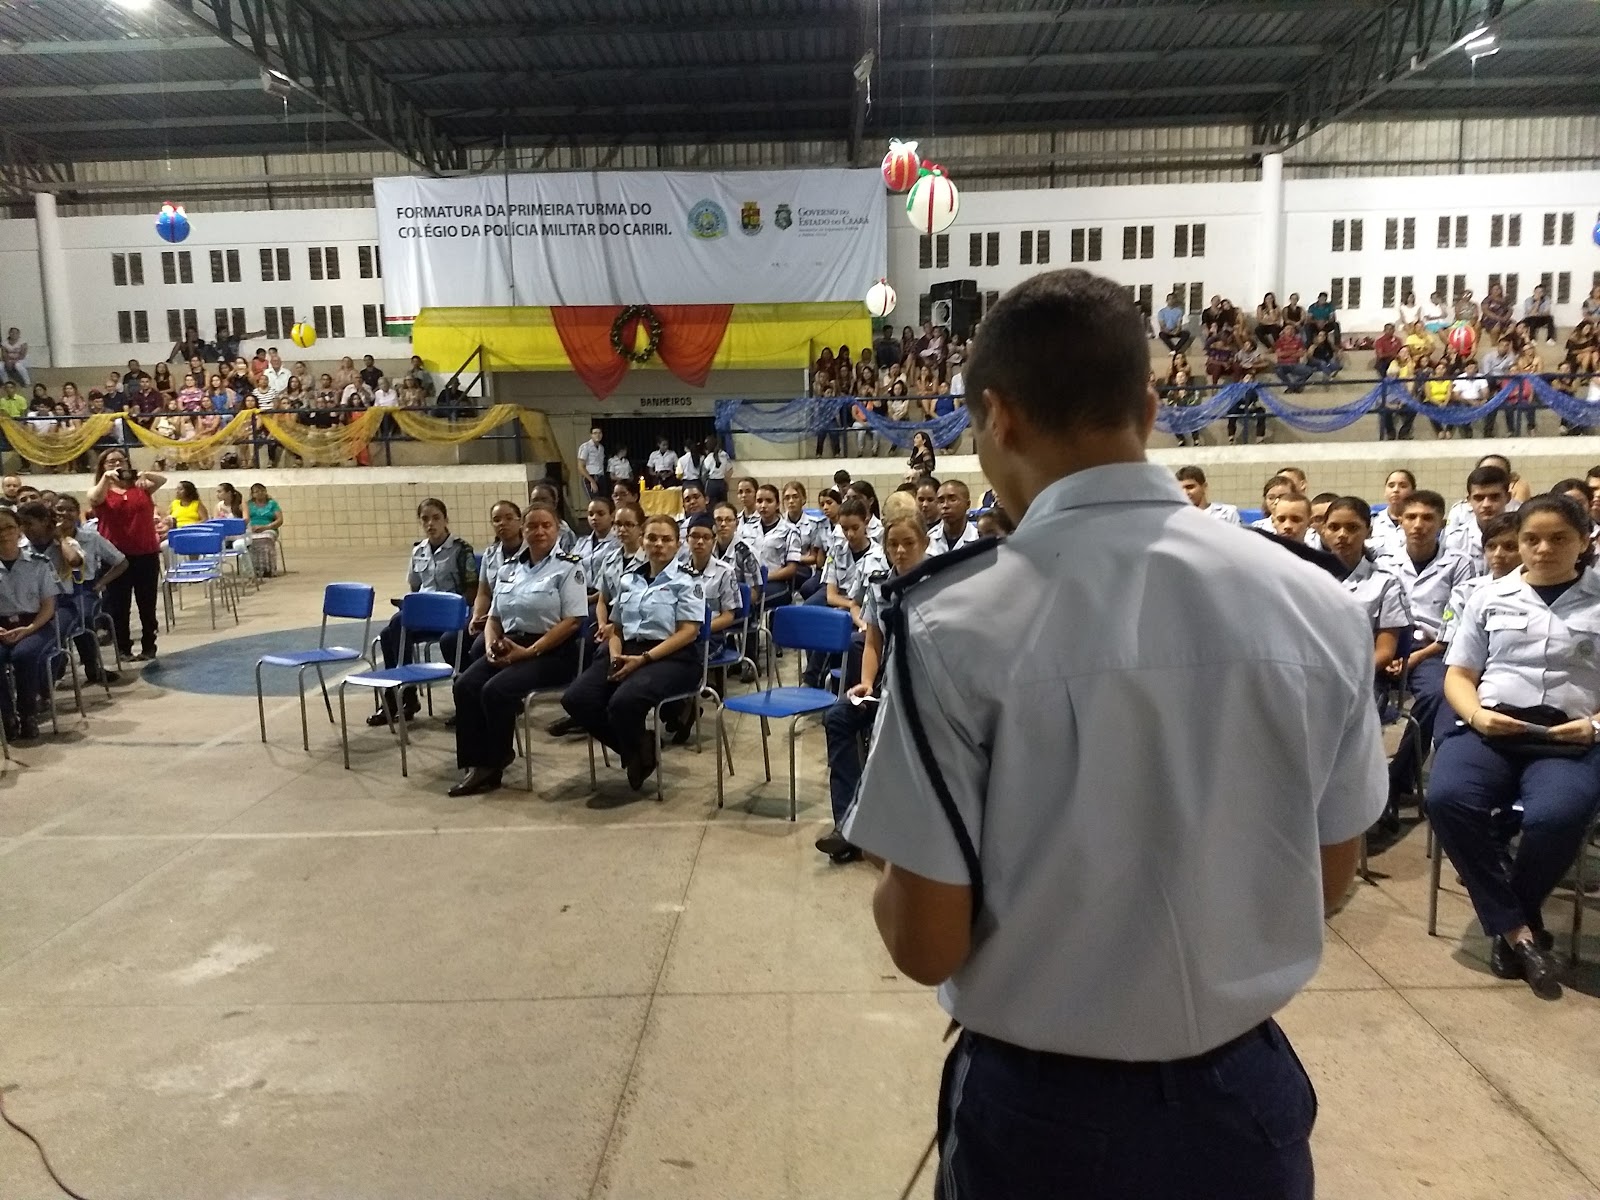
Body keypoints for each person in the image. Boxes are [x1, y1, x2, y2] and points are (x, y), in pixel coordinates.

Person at [840, 269, 1383, 1197]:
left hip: (1043, 1116)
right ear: (1147, 404)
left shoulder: (956, 623)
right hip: (1243, 1098)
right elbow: (1328, 878)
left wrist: (890, 871)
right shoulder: (1315, 602)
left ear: (997, 417)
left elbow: (926, 943)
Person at [1429, 495, 1600, 999]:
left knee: (1556, 816)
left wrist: (1596, 726)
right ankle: (1523, 933)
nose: (1543, 549)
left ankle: (1511, 927)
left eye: (1559, 538)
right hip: (1494, 729)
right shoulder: (1488, 596)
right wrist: (1478, 714)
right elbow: (1459, 675)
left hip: (1567, 737)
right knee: (1447, 798)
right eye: (1532, 539)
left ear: (1585, 541)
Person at [448, 503, 586, 797]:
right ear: (523, 530)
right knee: (465, 684)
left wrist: (531, 651)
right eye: (532, 526)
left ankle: (493, 763)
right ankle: (476, 760)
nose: (539, 532)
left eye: (546, 526)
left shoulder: (569, 566)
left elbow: (573, 621)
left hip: (554, 651)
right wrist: (489, 647)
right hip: (510, 642)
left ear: (557, 528)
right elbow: (494, 617)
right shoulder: (509, 568)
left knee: (496, 690)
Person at [560, 514, 704, 790]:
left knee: (623, 703)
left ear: (678, 544)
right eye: (652, 538)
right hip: (627, 651)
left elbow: (688, 632)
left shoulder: (688, 580)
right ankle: (639, 747)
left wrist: (643, 659)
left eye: (666, 539)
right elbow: (617, 626)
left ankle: (638, 748)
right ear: (643, 541)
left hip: (673, 656)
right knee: (577, 699)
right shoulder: (629, 579)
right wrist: (615, 655)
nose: (658, 544)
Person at [817, 511, 928, 863]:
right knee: (838, 718)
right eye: (893, 544)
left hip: (924, 692)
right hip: (884, 686)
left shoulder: (940, 584)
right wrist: (866, 682)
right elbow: (873, 643)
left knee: (893, 733)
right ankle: (848, 826)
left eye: (908, 543)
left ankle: (887, 827)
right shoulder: (880, 586)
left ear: (924, 544)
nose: (900, 551)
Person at [367, 499, 477, 726]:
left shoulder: (461, 550)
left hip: (453, 613)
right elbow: (415, 587)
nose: (430, 523)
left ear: (446, 520)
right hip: (427, 614)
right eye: (425, 519)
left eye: (436, 518)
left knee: (394, 630)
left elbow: (472, 591)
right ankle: (403, 694)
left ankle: (401, 697)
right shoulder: (418, 551)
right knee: (394, 627)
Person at [87, 449, 164, 664]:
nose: (116, 464)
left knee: (147, 604)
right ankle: (123, 648)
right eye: (110, 462)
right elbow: (94, 498)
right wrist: (106, 478)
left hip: (146, 553)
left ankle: (149, 645)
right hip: (116, 558)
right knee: (118, 606)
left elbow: (162, 479)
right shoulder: (101, 491)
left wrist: (143, 475)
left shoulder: (141, 488)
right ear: (102, 466)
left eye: (120, 461)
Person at [1319, 497, 1410, 672]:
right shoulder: (1308, 577)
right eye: (1334, 527)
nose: (1342, 535)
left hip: (1363, 675)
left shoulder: (1386, 583)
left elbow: (1384, 652)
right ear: (1323, 531)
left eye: (1352, 528)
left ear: (1368, 531)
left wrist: (1350, 676)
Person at [46, 494, 126, 684]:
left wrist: (101, 582)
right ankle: (56, 664)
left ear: (77, 513)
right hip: (53, 590)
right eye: (59, 510)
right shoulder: (45, 540)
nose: (65, 514)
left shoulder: (91, 538)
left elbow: (121, 562)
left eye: (70, 510)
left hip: (83, 587)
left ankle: (91, 665)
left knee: (82, 615)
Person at [447, 500, 525, 674]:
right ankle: (465, 676)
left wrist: (491, 619)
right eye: (497, 520)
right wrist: (476, 616)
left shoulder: (531, 552)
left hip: (510, 615)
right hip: (488, 615)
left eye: (508, 518)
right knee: (450, 640)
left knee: (478, 648)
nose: (502, 523)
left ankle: (480, 680)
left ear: (520, 521)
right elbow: (483, 593)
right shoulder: (490, 554)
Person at [0, 506, 55, 740]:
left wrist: (29, 629)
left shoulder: (39, 564)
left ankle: (28, 715)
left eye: (9, 527)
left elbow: (48, 606)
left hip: (35, 624)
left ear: (20, 530)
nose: (3, 534)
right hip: (1, 626)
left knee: (24, 655)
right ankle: (7, 717)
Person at [1442, 464, 1512, 574]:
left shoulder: (1520, 535)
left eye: (1494, 497)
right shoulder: (1456, 541)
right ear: (1469, 500)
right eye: (1479, 498)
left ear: (1508, 497)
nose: (1486, 504)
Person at [927, 479, 978, 555]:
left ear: (967, 504)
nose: (945, 505)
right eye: (941, 501)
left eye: (952, 499)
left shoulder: (978, 537)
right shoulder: (929, 539)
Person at [1174, 466, 1240, 524]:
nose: (1185, 492)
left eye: (1190, 487)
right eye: (1180, 489)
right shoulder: (1175, 518)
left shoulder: (1227, 513)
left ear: (1204, 487)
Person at [576, 427, 607, 501]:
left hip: (600, 476)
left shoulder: (601, 448)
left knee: (603, 501)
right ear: (591, 435)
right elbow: (580, 466)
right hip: (590, 476)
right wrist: (592, 481)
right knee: (594, 500)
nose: (598, 435)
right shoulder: (585, 446)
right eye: (595, 433)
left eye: (599, 433)